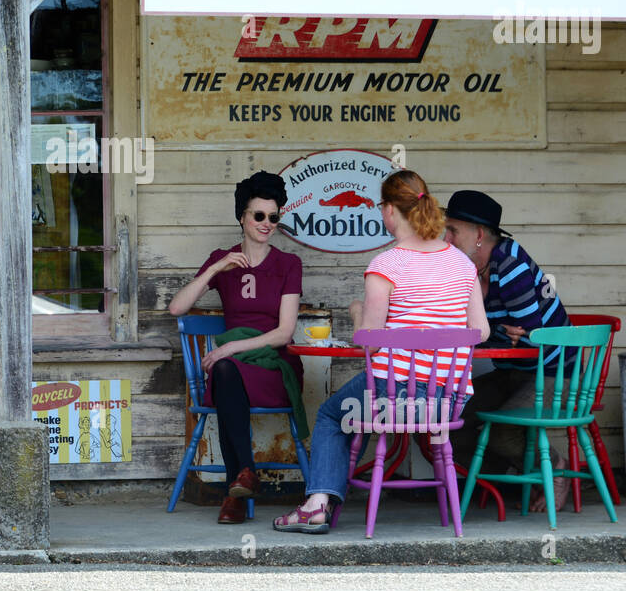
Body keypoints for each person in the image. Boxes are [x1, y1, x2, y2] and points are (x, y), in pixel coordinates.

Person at [274, 170, 488, 534]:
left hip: (395, 395)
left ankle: (316, 504)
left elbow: (368, 339)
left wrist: (357, 311)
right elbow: (480, 331)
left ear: (389, 211)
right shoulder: (462, 264)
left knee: (329, 416)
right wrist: (437, 332)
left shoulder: (386, 265)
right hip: (447, 400)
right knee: (345, 410)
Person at [168, 171, 305, 524]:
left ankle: (235, 493)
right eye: (259, 215)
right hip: (233, 371)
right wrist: (216, 267)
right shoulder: (223, 260)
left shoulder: (288, 264)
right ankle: (243, 476)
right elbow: (177, 308)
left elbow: (284, 332)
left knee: (224, 367)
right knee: (226, 374)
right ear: (242, 217)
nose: (266, 223)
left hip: (273, 365)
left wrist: (231, 347)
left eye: (273, 217)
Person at [442, 189, 571, 512]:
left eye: (453, 229)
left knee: (501, 435)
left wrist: (496, 334)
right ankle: (507, 483)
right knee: (450, 422)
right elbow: (490, 335)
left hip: (552, 373)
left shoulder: (509, 263)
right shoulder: (470, 271)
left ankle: (554, 470)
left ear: (480, 234)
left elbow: (530, 340)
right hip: (514, 372)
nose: (446, 236)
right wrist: (499, 334)